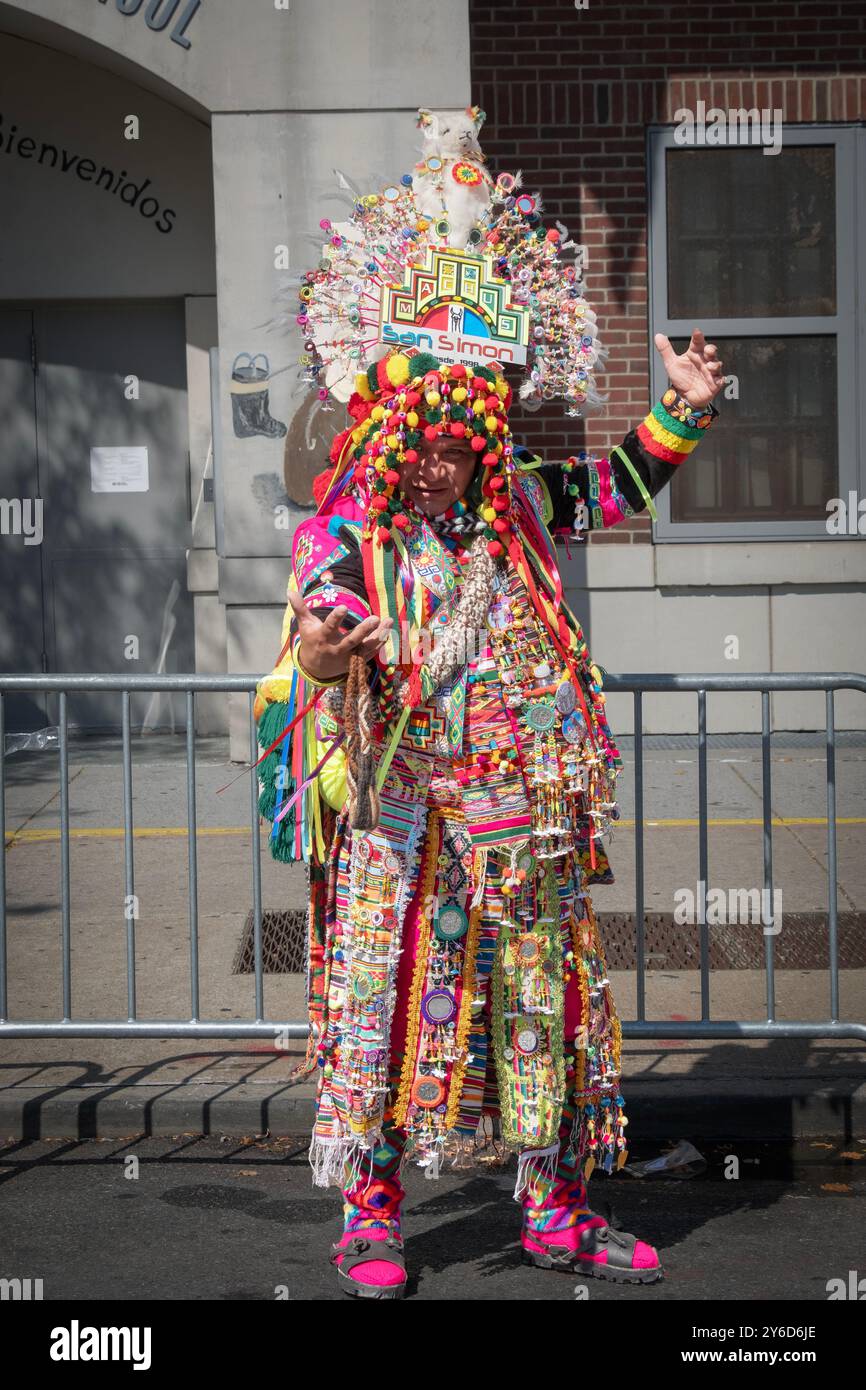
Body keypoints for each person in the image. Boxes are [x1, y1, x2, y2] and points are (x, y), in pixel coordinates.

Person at [253, 123, 725, 1298]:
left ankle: (554, 1214)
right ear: (385, 425)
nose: (437, 468)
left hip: (520, 808)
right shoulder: (349, 530)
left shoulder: (514, 502)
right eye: (419, 444)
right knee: (382, 1002)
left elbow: (608, 488)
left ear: (482, 432)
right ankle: (370, 1218)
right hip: (398, 818)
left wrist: (683, 411)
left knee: (542, 1006)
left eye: (459, 445)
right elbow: (313, 624)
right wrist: (320, 649)